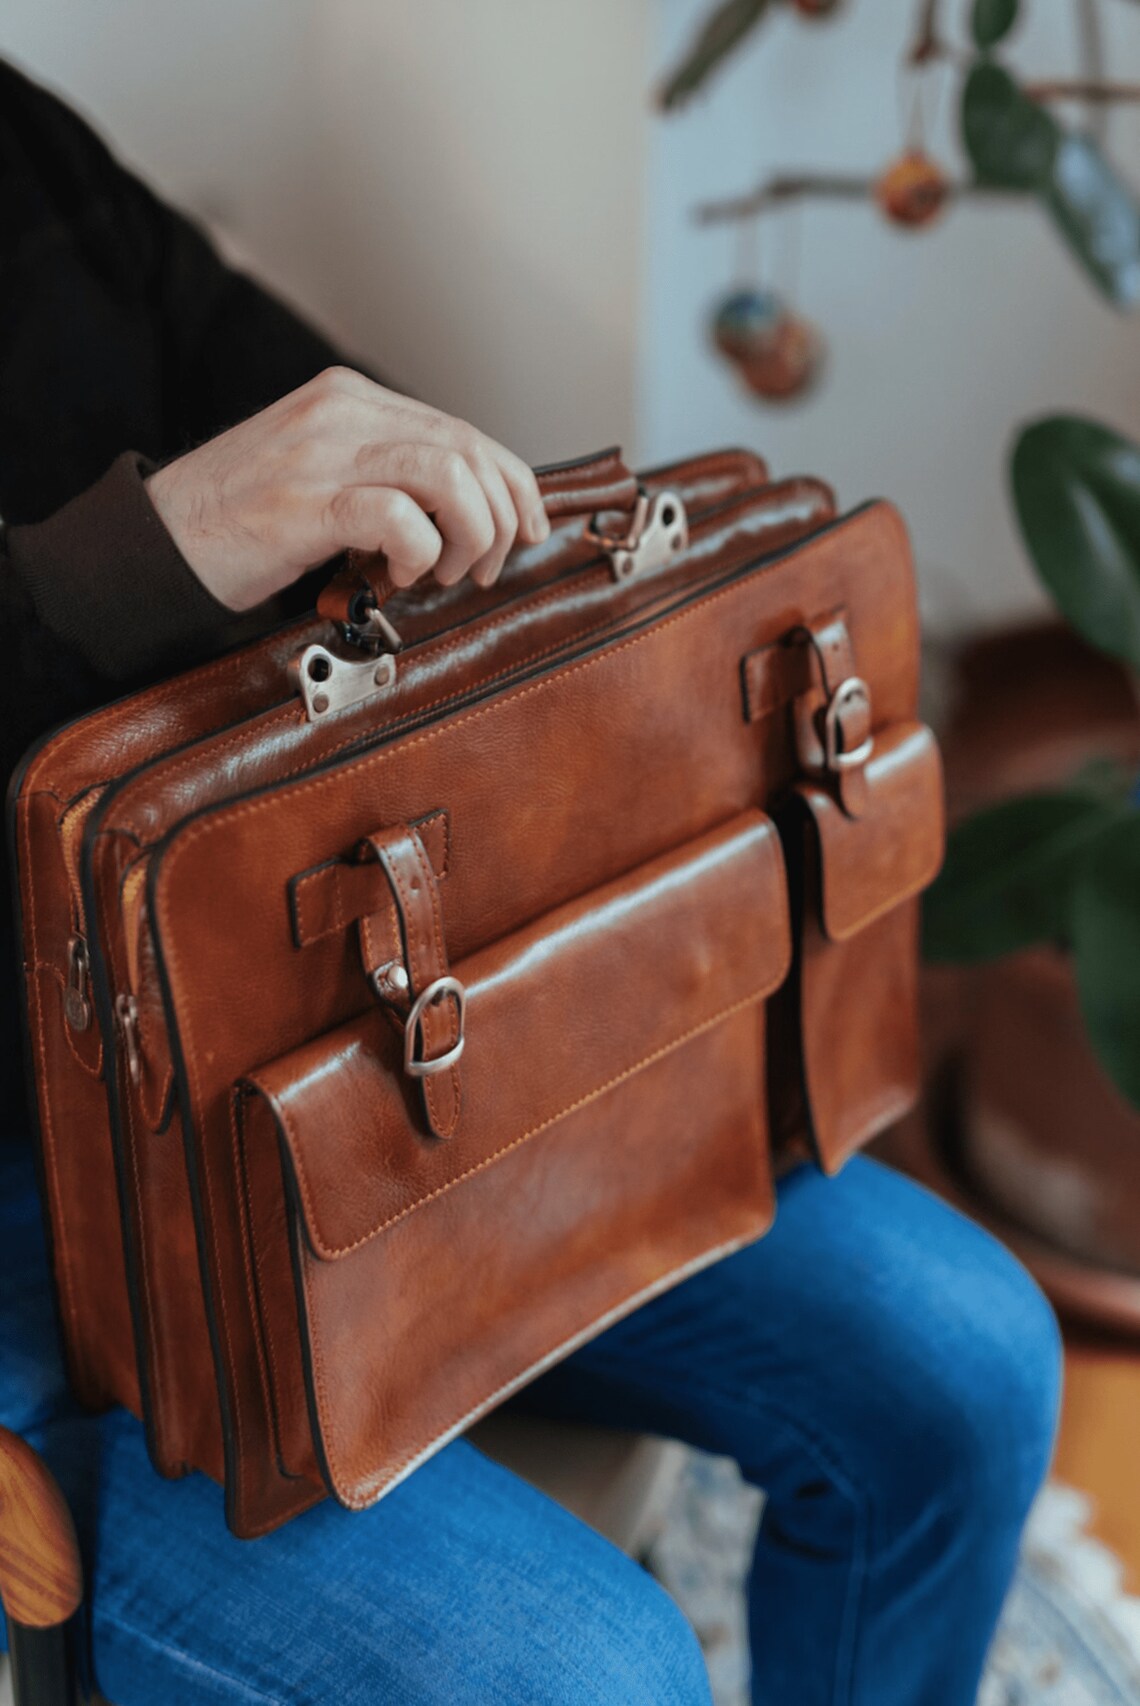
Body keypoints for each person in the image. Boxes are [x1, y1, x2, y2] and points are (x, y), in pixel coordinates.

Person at [0, 54, 1061, 1706]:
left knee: (968, 1365)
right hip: (49, 1254)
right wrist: (134, 561)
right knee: (596, 1672)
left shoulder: (21, 141)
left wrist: (422, 499)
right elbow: (176, 535)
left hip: (305, 1035)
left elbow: (321, 413)